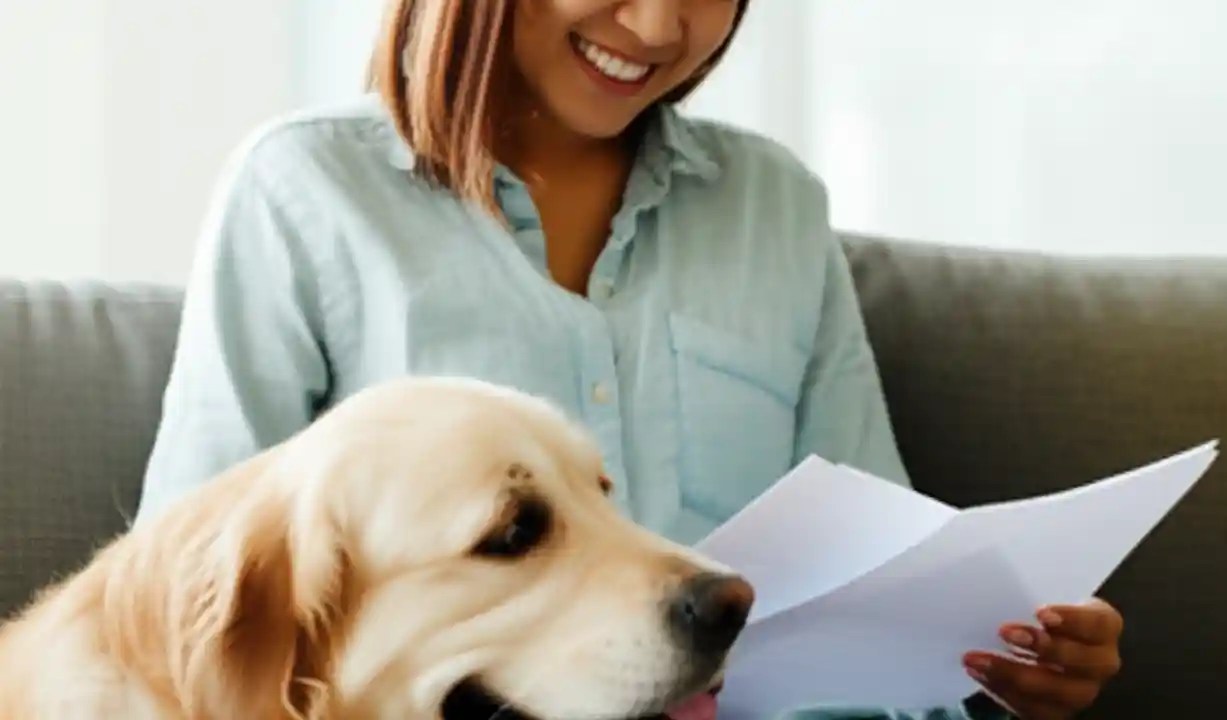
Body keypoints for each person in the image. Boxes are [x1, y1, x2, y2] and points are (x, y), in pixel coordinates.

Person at [136, 1, 1123, 718]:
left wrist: (988, 649)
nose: (657, 27)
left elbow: (879, 570)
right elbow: (190, 615)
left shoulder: (772, 207)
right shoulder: (302, 193)